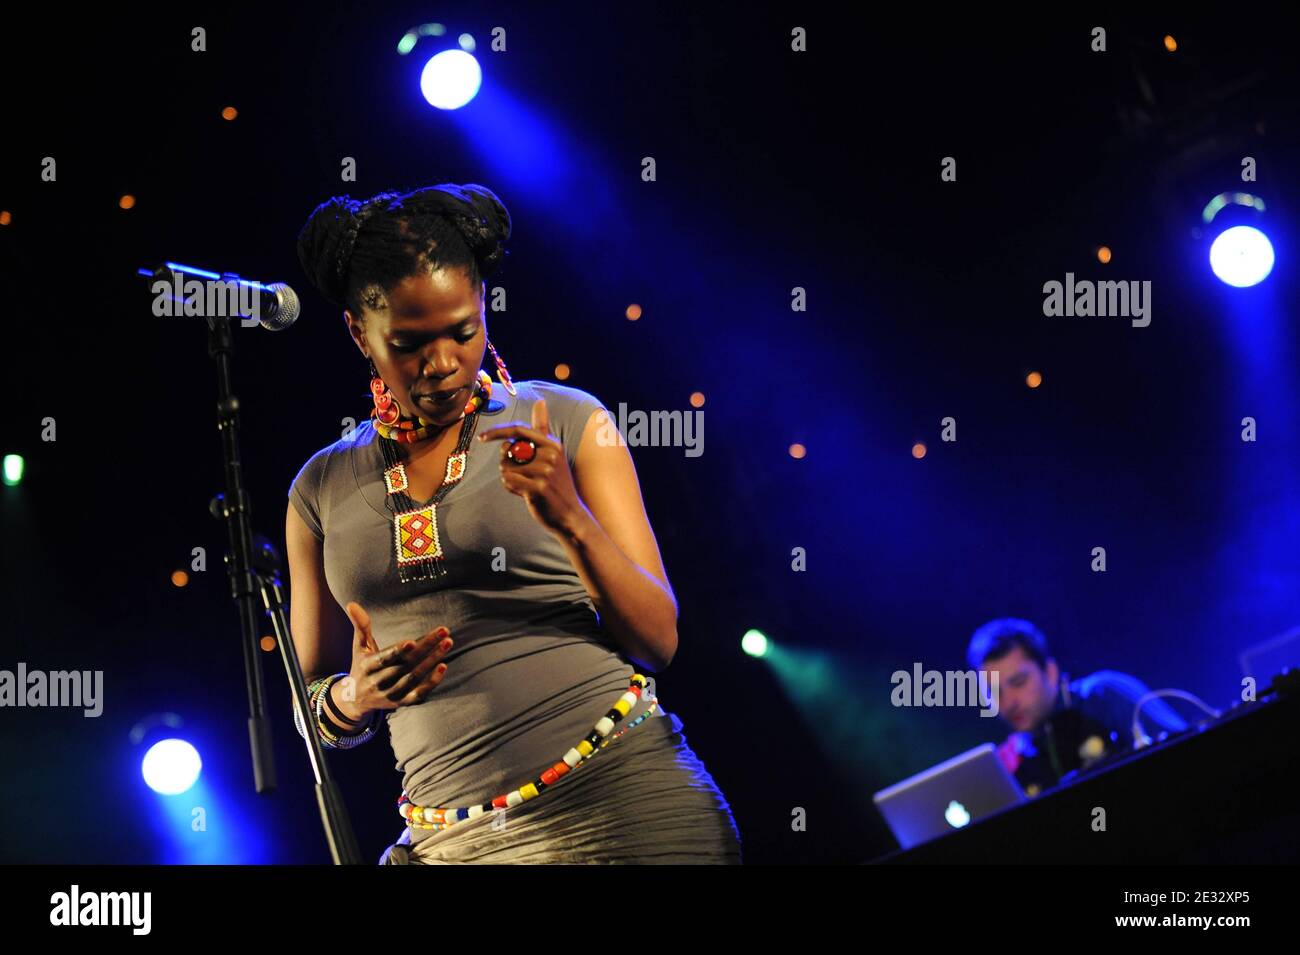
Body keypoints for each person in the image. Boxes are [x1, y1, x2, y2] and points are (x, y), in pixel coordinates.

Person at [286, 182, 742, 863]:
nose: (442, 362)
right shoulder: (318, 488)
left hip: (624, 803)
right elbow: (308, 702)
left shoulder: (566, 419)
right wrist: (355, 695)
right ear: (360, 332)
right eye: (410, 343)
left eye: (464, 331)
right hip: (457, 841)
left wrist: (570, 518)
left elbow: (658, 639)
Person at [967, 618, 1188, 796]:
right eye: (993, 692)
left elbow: (1189, 752)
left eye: (1019, 683)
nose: (1008, 702)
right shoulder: (1012, 763)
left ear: (1050, 673)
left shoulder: (1103, 696)